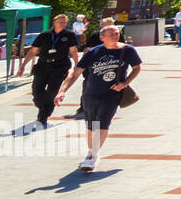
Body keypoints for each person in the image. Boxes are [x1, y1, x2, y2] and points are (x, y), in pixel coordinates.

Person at [54, 24, 142, 173]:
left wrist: (125, 83)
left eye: (117, 33)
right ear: (102, 37)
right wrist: (62, 91)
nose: (116, 36)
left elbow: (137, 68)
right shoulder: (93, 52)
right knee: (91, 127)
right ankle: (92, 153)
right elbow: (74, 73)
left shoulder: (127, 50)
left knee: (102, 125)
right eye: (111, 34)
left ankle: (92, 156)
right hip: (90, 95)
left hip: (112, 95)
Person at [17, 14, 79, 129]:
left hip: (60, 66)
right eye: (60, 22)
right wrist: (22, 66)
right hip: (43, 65)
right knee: (36, 90)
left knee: (52, 91)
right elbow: (33, 51)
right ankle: (42, 106)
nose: (62, 24)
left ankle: (43, 116)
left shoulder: (69, 35)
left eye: (64, 22)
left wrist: (77, 65)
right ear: (54, 22)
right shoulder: (44, 35)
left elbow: (74, 51)